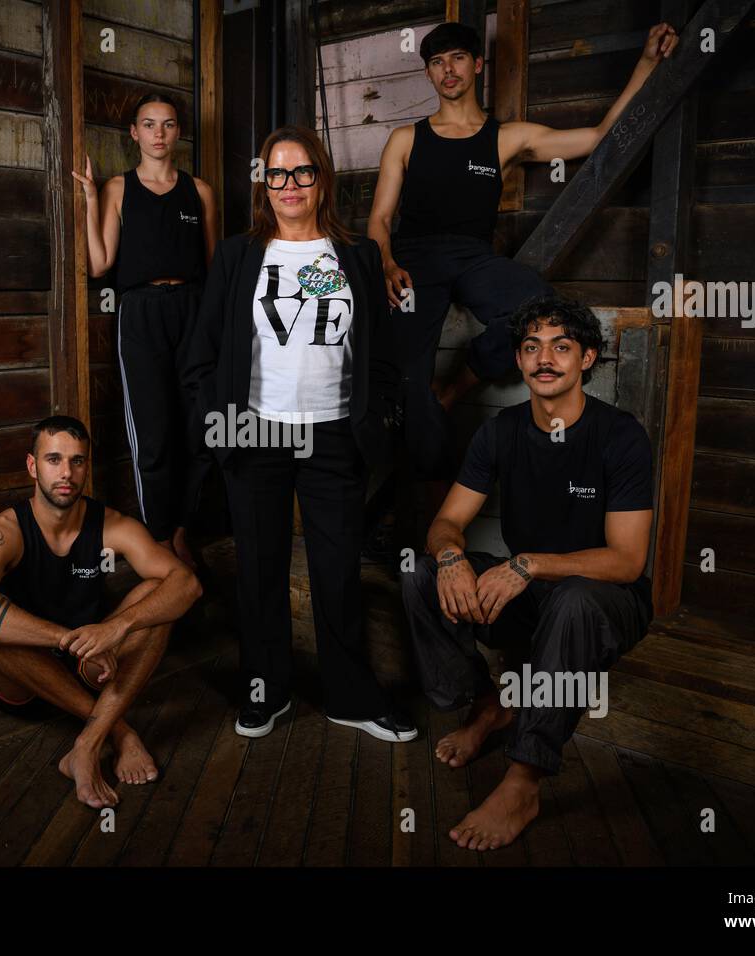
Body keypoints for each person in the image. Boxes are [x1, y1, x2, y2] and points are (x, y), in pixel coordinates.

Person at [367, 20, 678, 486]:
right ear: (429, 74)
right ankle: (426, 501)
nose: (447, 70)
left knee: (539, 311)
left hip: (474, 258)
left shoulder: (505, 138)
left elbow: (598, 137)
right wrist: (386, 263)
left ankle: (457, 388)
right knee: (410, 382)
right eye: (436, 62)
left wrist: (647, 63)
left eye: (456, 58)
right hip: (415, 262)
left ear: (477, 64)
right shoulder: (405, 140)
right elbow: (378, 220)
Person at [183, 125, 415, 742]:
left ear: (322, 180)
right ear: (265, 185)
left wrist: (378, 419)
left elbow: (385, 360)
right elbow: (201, 354)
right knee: (259, 571)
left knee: (337, 571)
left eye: (302, 172)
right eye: (276, 174)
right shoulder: (237, 256)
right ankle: (268, 690)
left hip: (334, 434)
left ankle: (349, 696)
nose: (289, 185)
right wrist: (220, 426)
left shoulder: (358, 256)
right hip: (254, 433)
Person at [400, 295, 654, 850]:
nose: (545, 359)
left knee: (575, 601)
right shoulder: (501, 431)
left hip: (605, 601)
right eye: (532, 347)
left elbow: (627, 561)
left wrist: (528, 563)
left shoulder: (620, 436)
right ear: (518, 361)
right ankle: (488, 704)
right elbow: (446, 522)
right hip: (528, 593)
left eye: (561, 347)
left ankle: (524, 780)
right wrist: (449, 559)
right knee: (419, 572)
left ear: (587, 359)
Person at [0, 416, 202, 809]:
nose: (65, 472)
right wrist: (65, 641)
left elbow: (186, 583)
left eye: (77, 461)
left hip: (93, 665)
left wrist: (118, 628)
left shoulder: (111, 524)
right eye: (53, 460)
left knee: (158, 593)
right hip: (21, 678)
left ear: (87, 466)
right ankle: (118, 731)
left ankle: (84, 746)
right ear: (33, 466)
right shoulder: (3, 531)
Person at [73, 92, 220, 570]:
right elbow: (99, 264)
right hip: (140, 312)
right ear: (134, 133)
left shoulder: (199, 192)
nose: (159, 133)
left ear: (179, 133)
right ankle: (158, 535)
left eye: (169, 124)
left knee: (202, 425)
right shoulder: (118, 188)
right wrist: (92, 198)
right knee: (153, 432)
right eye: (149, 124)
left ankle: (181, 529)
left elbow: (215, 268)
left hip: (194, 310)